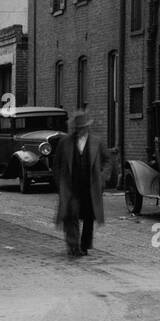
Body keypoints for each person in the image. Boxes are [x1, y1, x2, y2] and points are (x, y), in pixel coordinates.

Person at [53, 109, 106, 258]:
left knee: (89, 217)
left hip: (90, 187)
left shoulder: (97, 142)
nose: (80, 131)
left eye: (82, 128)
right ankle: (73, 246)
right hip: (71, 187)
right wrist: (59, 183)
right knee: (71, 215)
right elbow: (56, 164)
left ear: (87, 127)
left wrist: (102, 178)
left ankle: (84, 245)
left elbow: (108, 160)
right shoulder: (65, 142)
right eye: (77, 128)